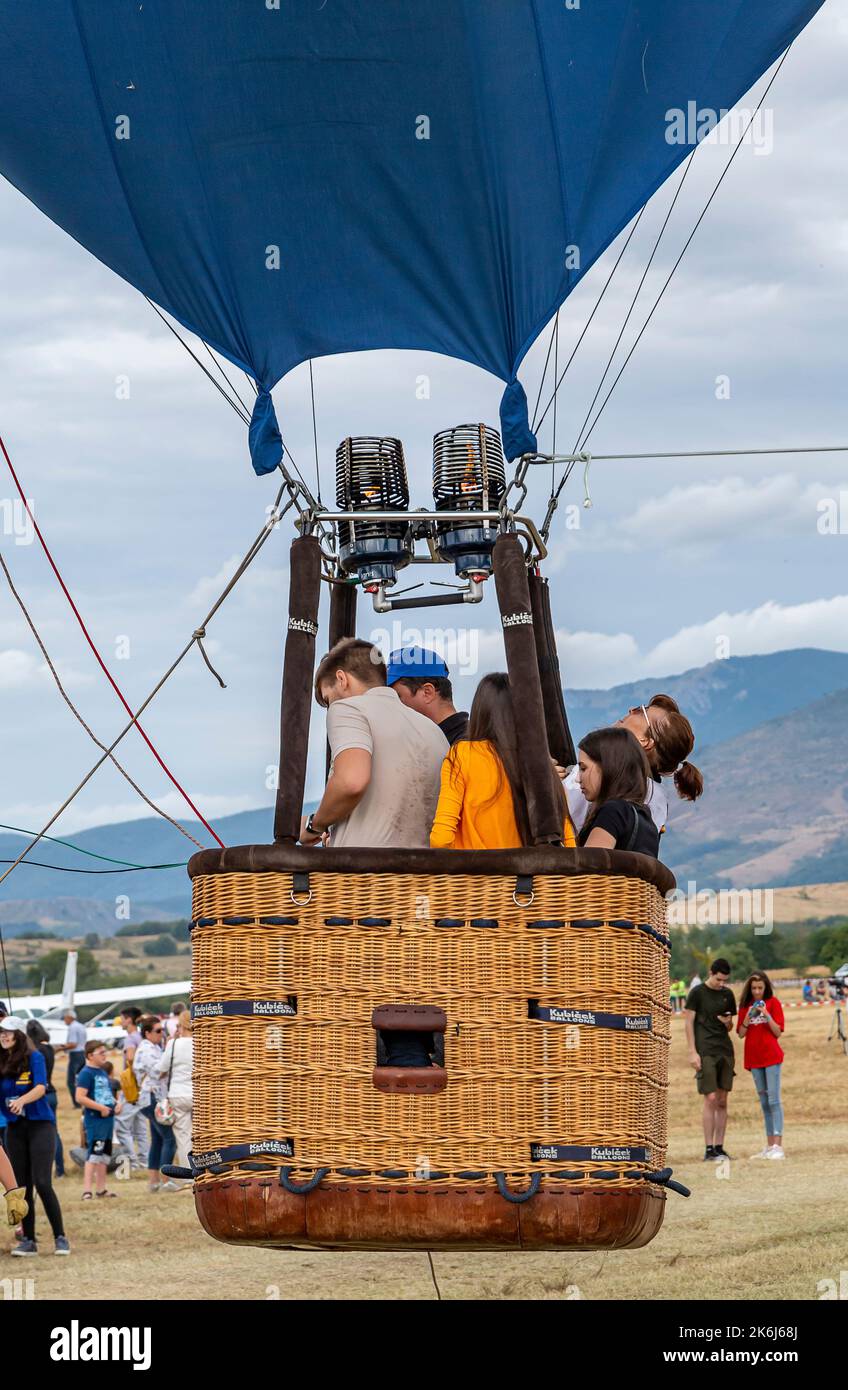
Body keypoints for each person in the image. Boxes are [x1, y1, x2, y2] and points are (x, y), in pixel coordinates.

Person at [300, 637, 447, 849]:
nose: (332, 706)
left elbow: (351, 781)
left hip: (365, 874)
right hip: (425, 874)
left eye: (329, 699)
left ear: (342, 679)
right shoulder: (433, 731)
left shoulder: (348, 709)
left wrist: (314, 824)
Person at [430, 672, 575, 849]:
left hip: (480, 874)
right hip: (533, 874)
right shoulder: (541, 761)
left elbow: (441, 839)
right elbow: (568, 841)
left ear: (479, 711)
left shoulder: (462, 754)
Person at [564, 694, 704, 835]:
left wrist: (550, 776)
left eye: (641, 711)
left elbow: (558, 809)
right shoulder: (656, 798)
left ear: (645, 741)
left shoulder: (610, 779)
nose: (631, 710)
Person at [0, 1015, 69, 1256]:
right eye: (1, 1032)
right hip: (14, 1129)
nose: (4, 1036)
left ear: (19, 1034)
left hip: (40, 1124)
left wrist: (21, 1100)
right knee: (22, 1188)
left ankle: (60, 1237)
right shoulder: (0, 1062)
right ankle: (28, 1240)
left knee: (42, 1182)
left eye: (8, 1032)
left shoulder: (35, 1057)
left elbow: (41, 1087)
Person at [575, 728, 660, 856]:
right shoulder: (646, 819)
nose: (577, 779)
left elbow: (590, 865)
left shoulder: (613, 811)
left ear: (608, 767)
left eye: (583, 768)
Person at [684, 959, 737, 1162]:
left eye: (725, 980)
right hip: (705, 1050)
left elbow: (730, 1026)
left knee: (723, 1101)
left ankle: (719, 1147)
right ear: (710, 973)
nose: (721, 983)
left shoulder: (727, 994)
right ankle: (708, 1149)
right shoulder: (697, 993)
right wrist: (692, 1051)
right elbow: (688, 1022)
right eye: (718, 979)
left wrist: (728, 1022)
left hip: (725, 1050)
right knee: (711, 1098)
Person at [737, 972, 785, 1160]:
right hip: (754, 1058)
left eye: (760, 988)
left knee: (774, 1100)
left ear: (766, 988)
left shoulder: (773, 1003)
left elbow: (777, 1032)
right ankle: (769, 1144)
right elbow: (740, 1033)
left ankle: (778, 1146)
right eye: (754, 988)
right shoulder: (744, 1006)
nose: (757, 992)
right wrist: (748, 1017)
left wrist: (766, 1014)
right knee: (764, 1102)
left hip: (771, 1057)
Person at [387, 646, 469, 745]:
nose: (390, 703)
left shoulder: (469, 742)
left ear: (427, 692)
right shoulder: (433, 739)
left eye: (397, 696)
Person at [133, 1015, 177, 1191]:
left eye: (163, 1030)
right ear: (147, 1033)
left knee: (158, 1139)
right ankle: (166, 1180)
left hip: (151, 1097)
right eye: (158, 1031)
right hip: (151, 1098)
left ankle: (153, 1182)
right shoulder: (146, 1050)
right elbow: (158, 1072)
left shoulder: (153, 1047)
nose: (162, 1033)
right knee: (169, 1138)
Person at [75, 1039, 123, 1198]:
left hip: (108, 1120)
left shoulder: (102, 1072)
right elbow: (80, 1097)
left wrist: (117, 1104)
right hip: (95, 1120)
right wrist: (101, 1108)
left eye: (105, 1052)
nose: (105, 1055)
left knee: (104, 1155)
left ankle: (101, 1189)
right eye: (101, 1053)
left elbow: (107, 1095)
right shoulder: (86, 1073)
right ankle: (86, 1190)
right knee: (93, 1155)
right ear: (90, 1055)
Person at [26, 1020, 65, 1178]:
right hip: (51, 1092)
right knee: (54, 1132)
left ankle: (41, 1169)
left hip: (39, 1093)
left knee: (37, 1134)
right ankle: (60, 1169)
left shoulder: (35, 1052)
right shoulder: (49, 1048)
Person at [158, 1010, 193, 1182]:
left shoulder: (173, 1044)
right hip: (199, 1094)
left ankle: (189, 1176)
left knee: (183, 1137)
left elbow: (161, 1068)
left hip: (178, 1093)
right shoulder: (202, 1042)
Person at [113, 1006, 148, 1170]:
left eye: (122, 1018)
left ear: (128, 1020)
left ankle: (133, 1162)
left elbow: (131, 1060)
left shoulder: (129, 1040)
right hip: (143, 1086)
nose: (120, 1021)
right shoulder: (141, 1037)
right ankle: (144, 1160)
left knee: (121, 1124)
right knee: (140, 1127)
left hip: (131, 1087)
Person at [60, 1009, 87, 1107]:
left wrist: (60, 1048)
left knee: (71, 1081)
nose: (64, 1021)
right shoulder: (80, 1026)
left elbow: (73, 1044)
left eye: (65, 1018)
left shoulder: (72, 1027)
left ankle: (77, 1103)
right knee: (82, 1079)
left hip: (75, 1055)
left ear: (69, 1017)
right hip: (82, 1054)